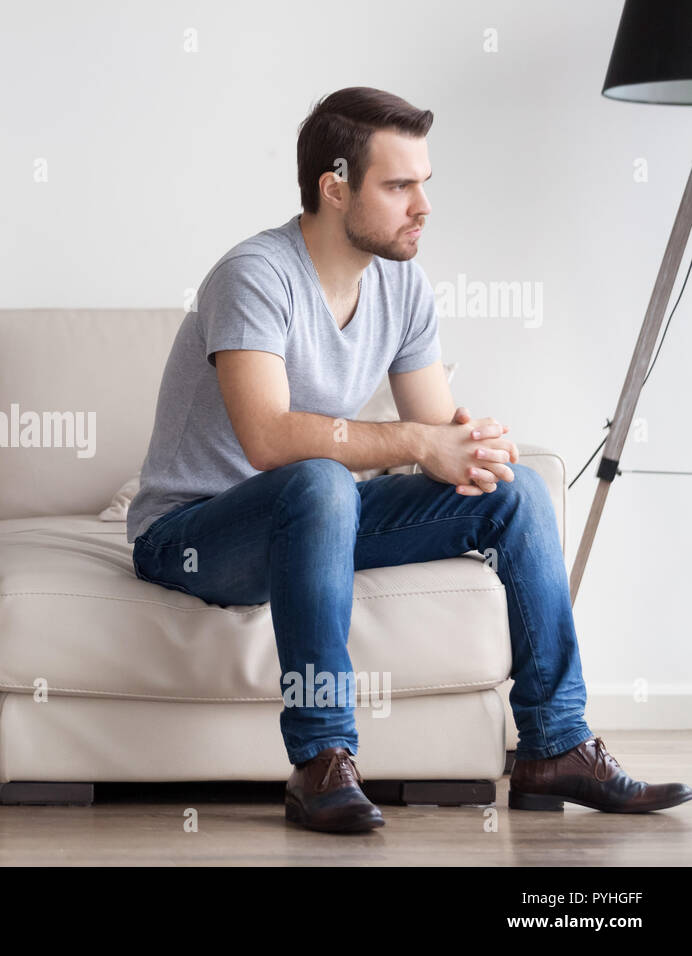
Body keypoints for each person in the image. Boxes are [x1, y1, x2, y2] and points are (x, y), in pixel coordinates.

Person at [126, 87, 691, 833]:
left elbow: (432, 436)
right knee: (322, 481)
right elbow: (267, 439)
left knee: (513, 492)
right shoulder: (255, 276)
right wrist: (422, 442)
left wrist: (473, 448)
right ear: (335, 188)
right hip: (195, 535)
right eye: (399, 186)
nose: (422, 205)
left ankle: (555, 744)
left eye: (424, 183)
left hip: (318, 522)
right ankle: (322, 760)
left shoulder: (402, 282)